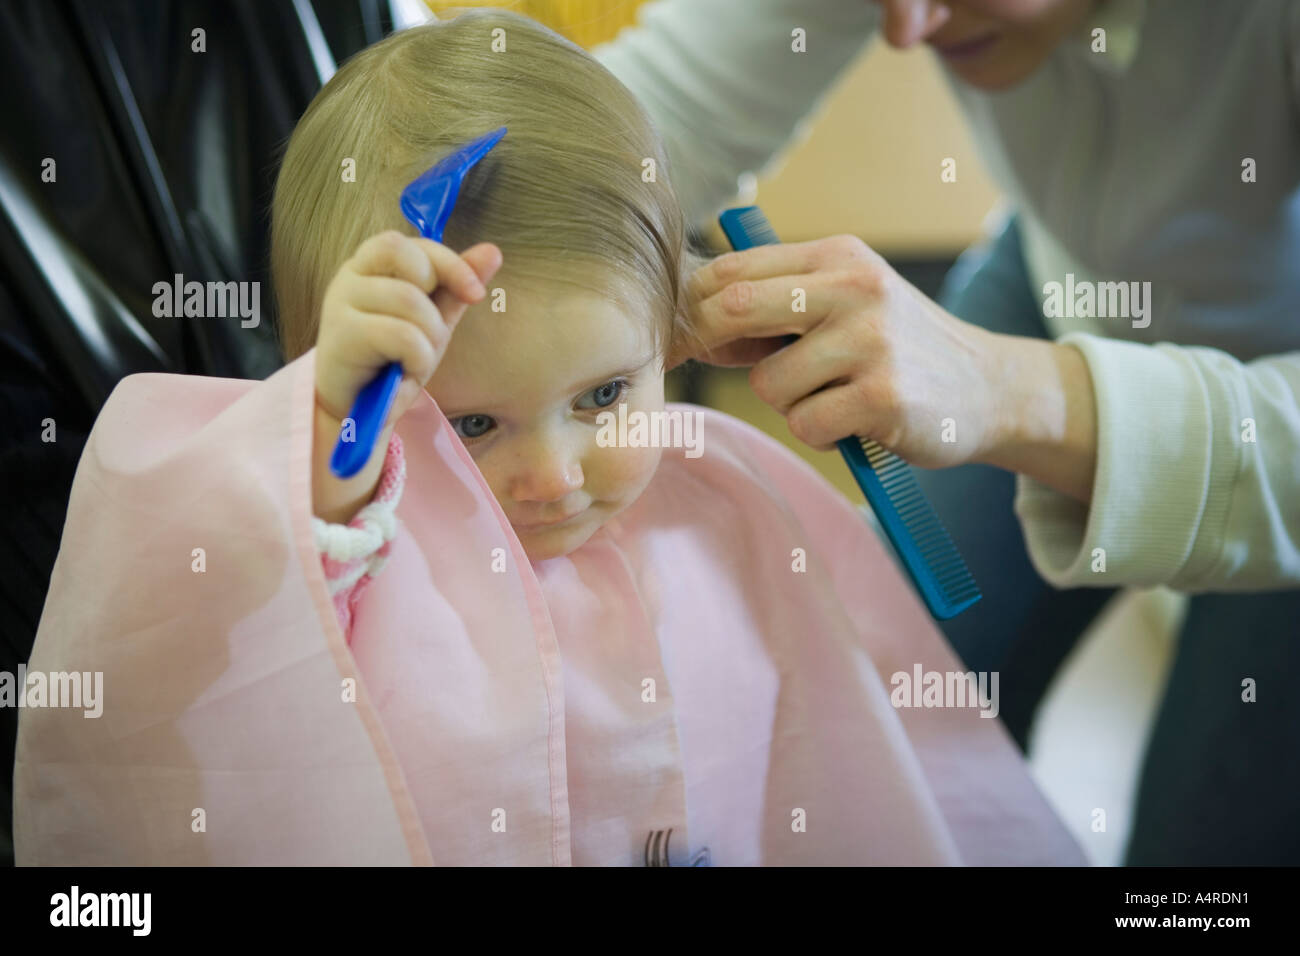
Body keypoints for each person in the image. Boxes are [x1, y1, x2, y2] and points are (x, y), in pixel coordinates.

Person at [12, 10, 1082, 866]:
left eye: (606, 393)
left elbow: (857, 768)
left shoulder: (735, 502)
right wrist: (325, 447)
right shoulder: (349, 541)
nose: (554, 476)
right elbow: (222, 637)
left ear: (673, 327)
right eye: (472, 423)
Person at [593, 0, 1300, 864]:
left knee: (1202, 857)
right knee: (876, 707)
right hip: (1060, 282)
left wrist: (1005, 389)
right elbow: (659, 123)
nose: (907, 27)